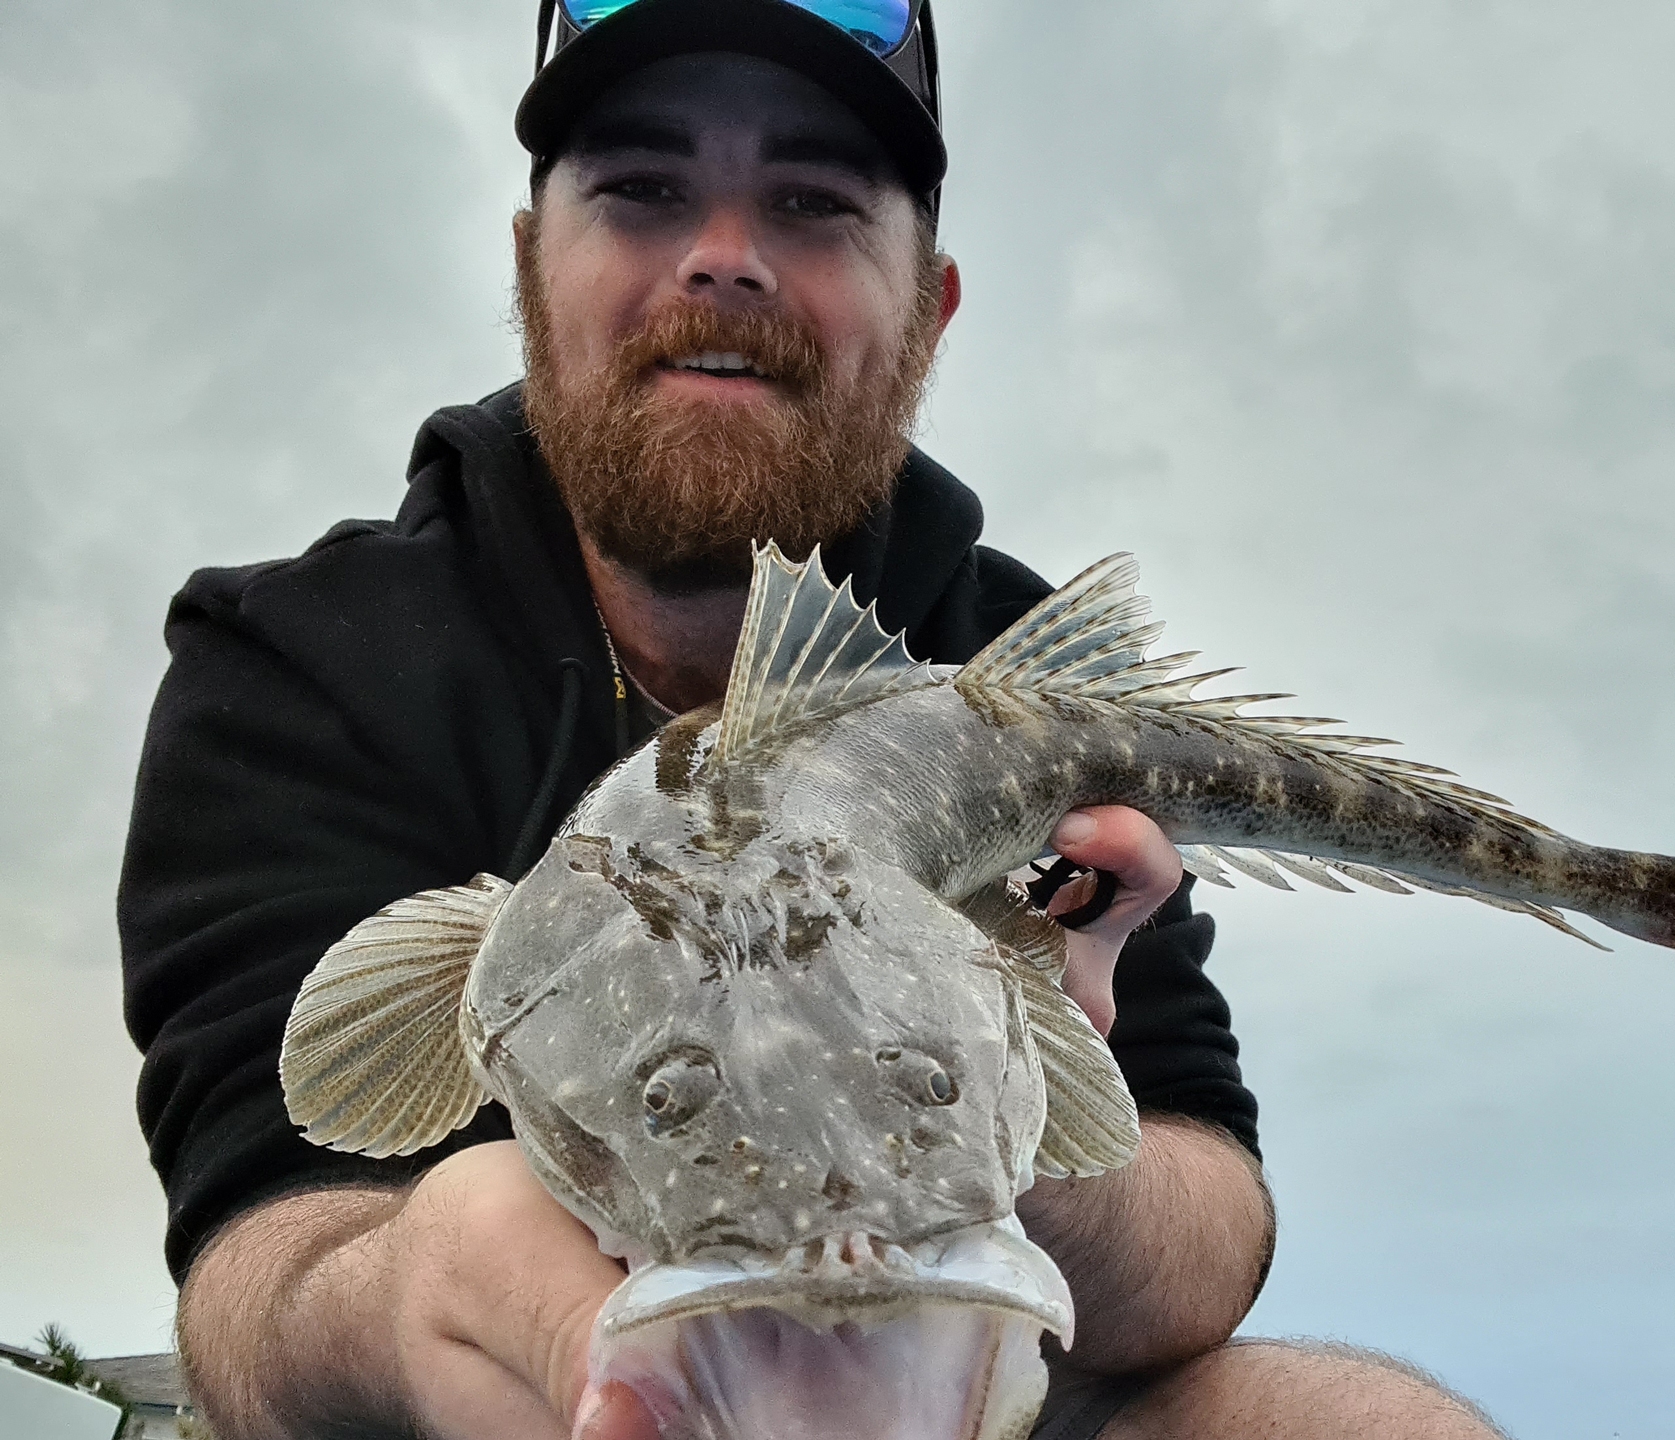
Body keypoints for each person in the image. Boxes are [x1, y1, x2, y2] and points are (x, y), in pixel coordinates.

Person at [119, 2, 1510, 1436]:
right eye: (644, 188)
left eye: (814, 203)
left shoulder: (1018, 702)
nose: (725, 254)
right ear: (532, 265)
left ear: (932, 305)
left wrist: (1013, 1092)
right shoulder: (302, 659)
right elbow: (259, 1256)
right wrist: (425, 1290)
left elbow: (1209, 1225)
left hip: (968, 1369)